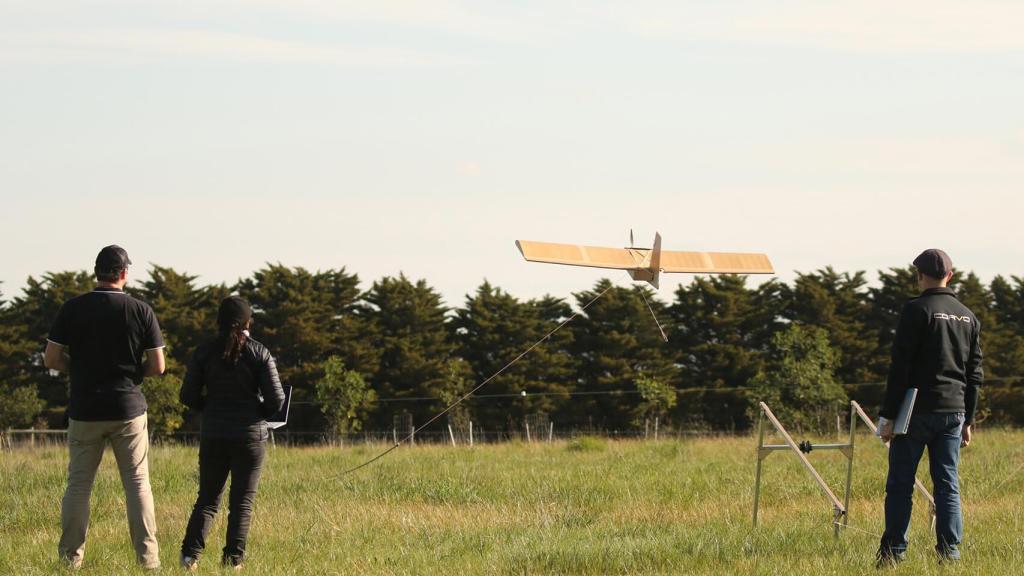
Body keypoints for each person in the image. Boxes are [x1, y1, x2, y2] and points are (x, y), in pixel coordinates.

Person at [44, 245, 165, 570]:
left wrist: (79, 370)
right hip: (128, 408)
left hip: (85, 409)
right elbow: (158, 365)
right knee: (138, 484)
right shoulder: (141, 310)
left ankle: (70, 560)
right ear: (124, 272)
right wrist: (132, 374)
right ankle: (149, 561)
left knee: (79, 485)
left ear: (96, 272)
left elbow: (51, 359)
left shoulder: (72, 309)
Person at [876, 248, 984, 566]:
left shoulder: (915, 310)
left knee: (900, 484)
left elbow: (901, 367)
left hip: (914, 412)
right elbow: (974, 373)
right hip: (954, 412)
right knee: (947, 485)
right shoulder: (968, 316)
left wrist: (888, 415)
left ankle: (893, 554)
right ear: (950, 275)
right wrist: (968, 420)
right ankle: (949, 554)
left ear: (919, 275)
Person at [179, 296, 285, 570]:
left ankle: (190, 557)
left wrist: (210, 408)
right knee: (241, 504)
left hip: (214, 433)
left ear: (219, 321)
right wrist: (255, 415)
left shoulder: (203, 352)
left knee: (207, 500)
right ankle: (233, 560)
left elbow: (187, 395)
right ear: (248, 322)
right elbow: (277, 400)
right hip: (249, 437)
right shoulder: (259, 352)